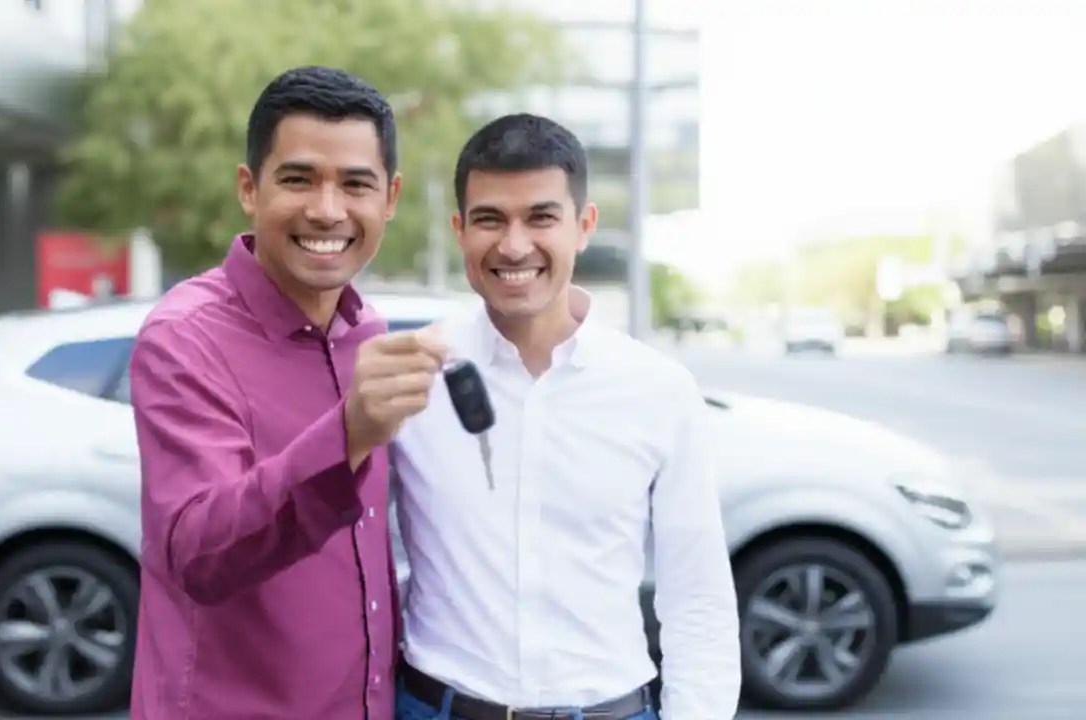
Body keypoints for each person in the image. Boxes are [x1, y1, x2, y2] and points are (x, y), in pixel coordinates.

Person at [390, 114, 742, 720]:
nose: (514, 244)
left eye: (541, 217)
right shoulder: (412, 376)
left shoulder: (658, 391)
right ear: (460, 230)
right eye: (490, 219)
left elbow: (698, 600)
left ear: (584, 226)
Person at [128, 66, 447, 719]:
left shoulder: (372, 337)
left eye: (355, 184)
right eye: (299, 179)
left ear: (390, 198)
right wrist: (347, 434)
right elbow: (200, 555)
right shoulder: (184, 339)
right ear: (250, 188)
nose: (327, 210)